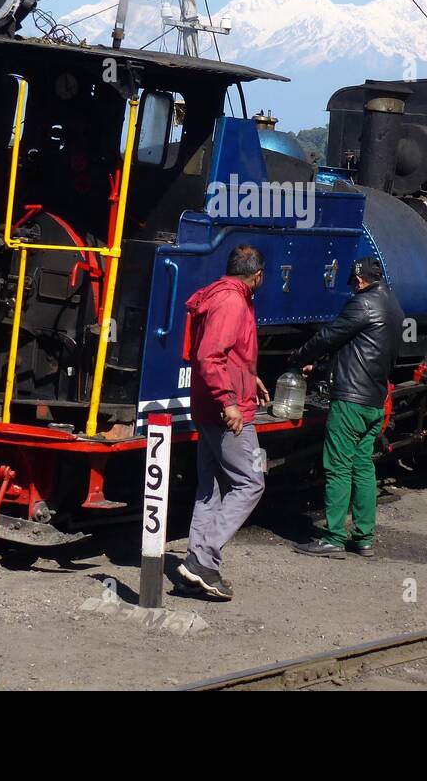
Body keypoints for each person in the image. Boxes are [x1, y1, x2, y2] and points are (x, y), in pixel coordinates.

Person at [292, 256, 403, 559]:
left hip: (351, 402)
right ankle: (364, 537)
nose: (353, 288)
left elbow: (329, 336)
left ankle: (333, 537)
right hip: (374, 401)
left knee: (338, 466)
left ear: (359, 279)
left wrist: (299, 357)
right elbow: (360, 350)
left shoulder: (363, 304)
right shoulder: (394, 306)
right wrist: (321, 368)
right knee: (363, 466)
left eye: (353, 282)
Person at [176, 245, 269, 601]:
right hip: (225, 410)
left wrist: (250, 375)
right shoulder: (232, 301)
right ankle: (202, 559)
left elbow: (228, 353)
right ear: (257, 275)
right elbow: (209, 356)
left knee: (211, 488)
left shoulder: (219, 294)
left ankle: (195, 568)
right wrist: (230, 401)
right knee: (250, 482)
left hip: (207, 404)